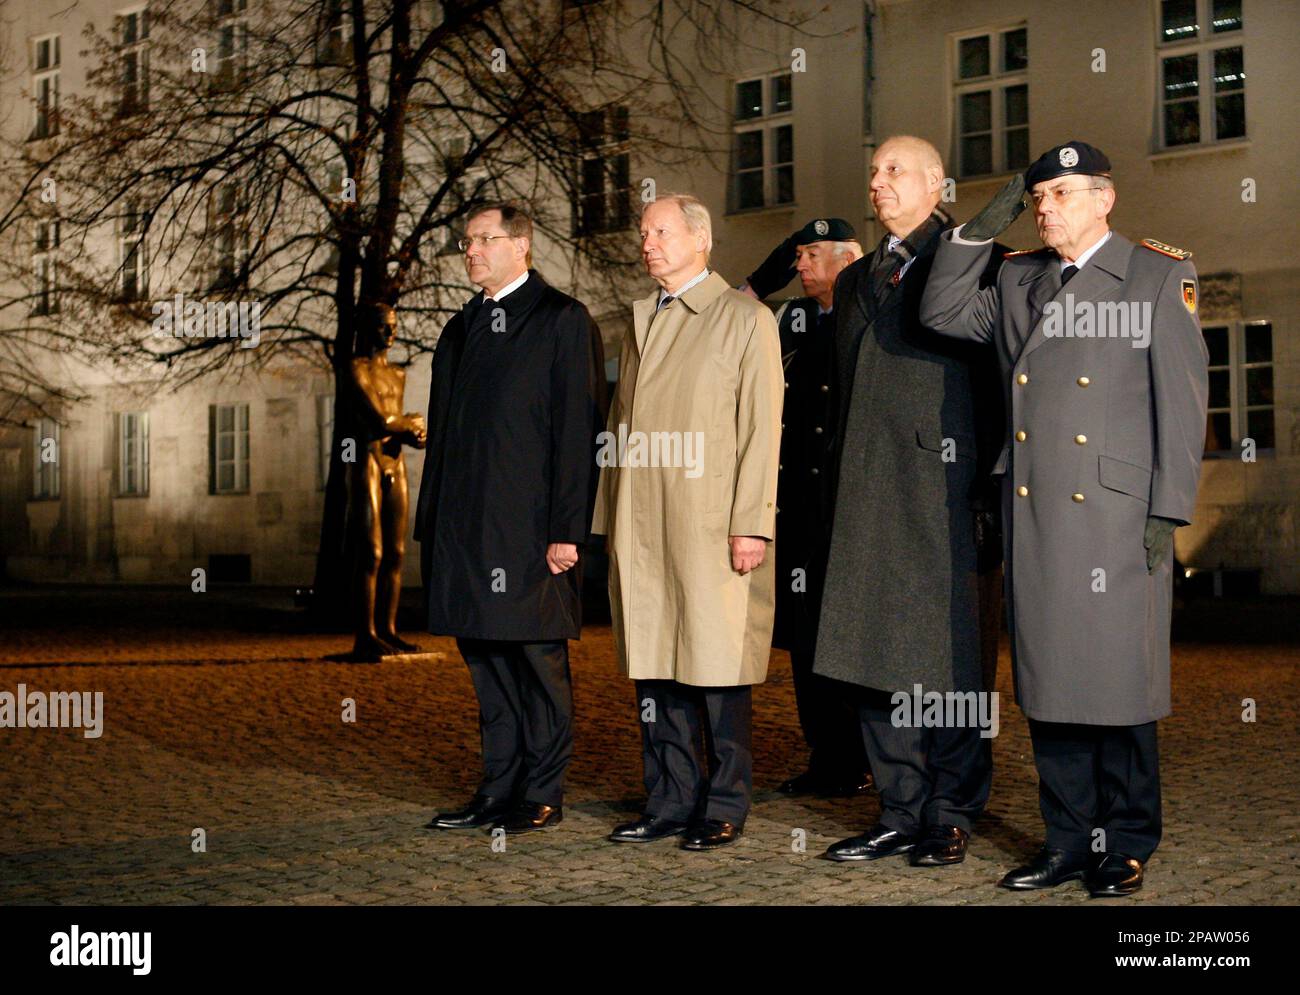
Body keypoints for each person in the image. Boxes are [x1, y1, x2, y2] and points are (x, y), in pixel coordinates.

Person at [920, 140, 1209, 896]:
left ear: (1105, 198)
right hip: (1040, 510)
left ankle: (1129, 840)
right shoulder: (1019, 278)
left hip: (1119, 519)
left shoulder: (1155, 274)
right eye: (1039, 197)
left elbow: (1182, 406)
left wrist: (1169, 510)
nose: (1048, 209)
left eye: (1065, 194)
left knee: (1118, 690)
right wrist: (986, 222)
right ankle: (1067, 840)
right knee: (1051, 689)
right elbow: (943, 309)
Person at [815, 136, 996, 869]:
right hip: (866, 488)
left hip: (943, 487)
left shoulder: (975, 256)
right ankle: (897, 807)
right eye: (873, 171)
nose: (878, 181)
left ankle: (949, 812)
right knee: (872, 653)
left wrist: (986, 487)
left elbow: (994, 376)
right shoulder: (857, 277)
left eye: (894, 170)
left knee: (949, 659)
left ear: (936, 182)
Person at [594, 193, 783, 851]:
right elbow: (619, 428)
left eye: (661, 231)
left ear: (700, 240)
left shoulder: (745, 318)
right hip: (644, 524)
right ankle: (669, 799)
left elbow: (762, 428)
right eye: (644, 233)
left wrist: (753, 522)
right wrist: (608, 519)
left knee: (716, 666)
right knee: (656, 665)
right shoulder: (640, 320)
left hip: (711, 523)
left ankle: (724, 801)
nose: (648, 243)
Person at [415, 202, 605, 835]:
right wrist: (433, 525)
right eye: (467, 242)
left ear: (521, 245)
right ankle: (495, 789)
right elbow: (443, 434)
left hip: (531, 534)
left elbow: (579, 433)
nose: (471, 251)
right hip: (465, 532)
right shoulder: (461, 327)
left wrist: (567, 531)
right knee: (488, 668)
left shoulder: (561, 320)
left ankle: (542, 790)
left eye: (483, 240)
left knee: (537, 665)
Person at [743, 220, 873, 798]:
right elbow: (737, 305)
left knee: (852, 638)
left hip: (850, 506)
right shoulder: (788, 320)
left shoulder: (870, 310)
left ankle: (871, 758)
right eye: (795, 255)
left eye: (812, 255)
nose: (801, 266)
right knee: (806, 645)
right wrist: (780, 259)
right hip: (799, 509)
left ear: (850, 259)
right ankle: (830, 758)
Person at [344, 302, 428, 661]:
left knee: (396, 552)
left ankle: (389, 629)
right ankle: (366, 634)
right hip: (368, 460)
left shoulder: (397, 374)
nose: (389, 333)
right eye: (382, 326)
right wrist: (409, 422)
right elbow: (378, 420)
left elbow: (396, 424)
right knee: (372, 552)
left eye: (393, 326)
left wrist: (415, 430)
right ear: (366, 328)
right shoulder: (355, 368)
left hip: (396, 462)